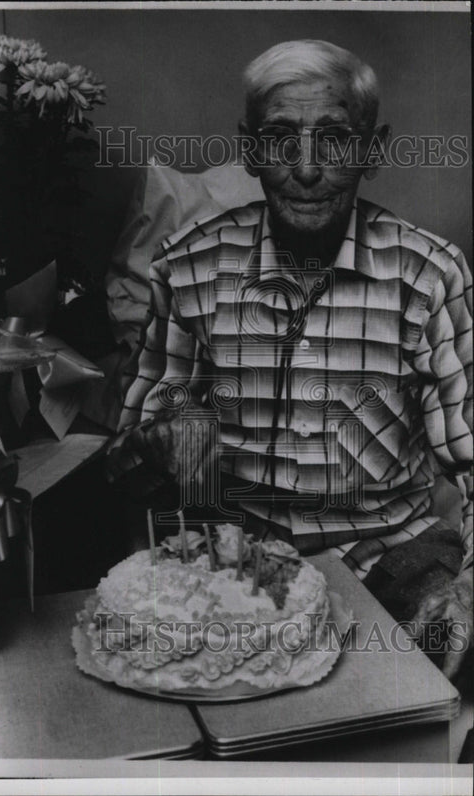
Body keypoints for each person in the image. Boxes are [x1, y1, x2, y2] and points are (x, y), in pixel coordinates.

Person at [105, 40, 472, 680]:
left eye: (333, 139)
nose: (305, 169)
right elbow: (129, 460)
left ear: (372, 149)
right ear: (250, 150)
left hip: (389, 555)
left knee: (445, 659)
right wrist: (161, 446)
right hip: (233, 555)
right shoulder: (189, 268)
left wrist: (471, 587)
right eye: (279, 138)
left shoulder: (429, 276)